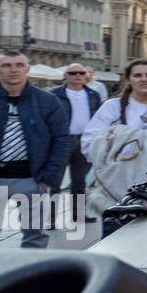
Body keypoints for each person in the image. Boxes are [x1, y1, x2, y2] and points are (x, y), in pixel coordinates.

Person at [0, 51, 69, 248]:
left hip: (32, 180)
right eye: (6, 65)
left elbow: (61, 140)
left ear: (27, 69)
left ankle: (31, 278)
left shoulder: (47, 102)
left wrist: (48, 179)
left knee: (35, 236)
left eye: (19, 65)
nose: (13, 70)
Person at [82, 59, 147, 159]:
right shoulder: (112, 106)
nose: (144, 79)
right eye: (137, 75)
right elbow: (89, 142)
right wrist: (142, 138)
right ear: (129, 80)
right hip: (120, 171)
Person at [50, 63, 103, 223]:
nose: (77, 76)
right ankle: (50, 218)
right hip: (62, 141)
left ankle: (79, 215)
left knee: (79, 181)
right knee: (55, 181)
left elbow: (99, 117)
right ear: (65, 76)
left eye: (81, 72)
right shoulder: (53, 94)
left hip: (84, 141)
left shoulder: (93, 94)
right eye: (73, 73)